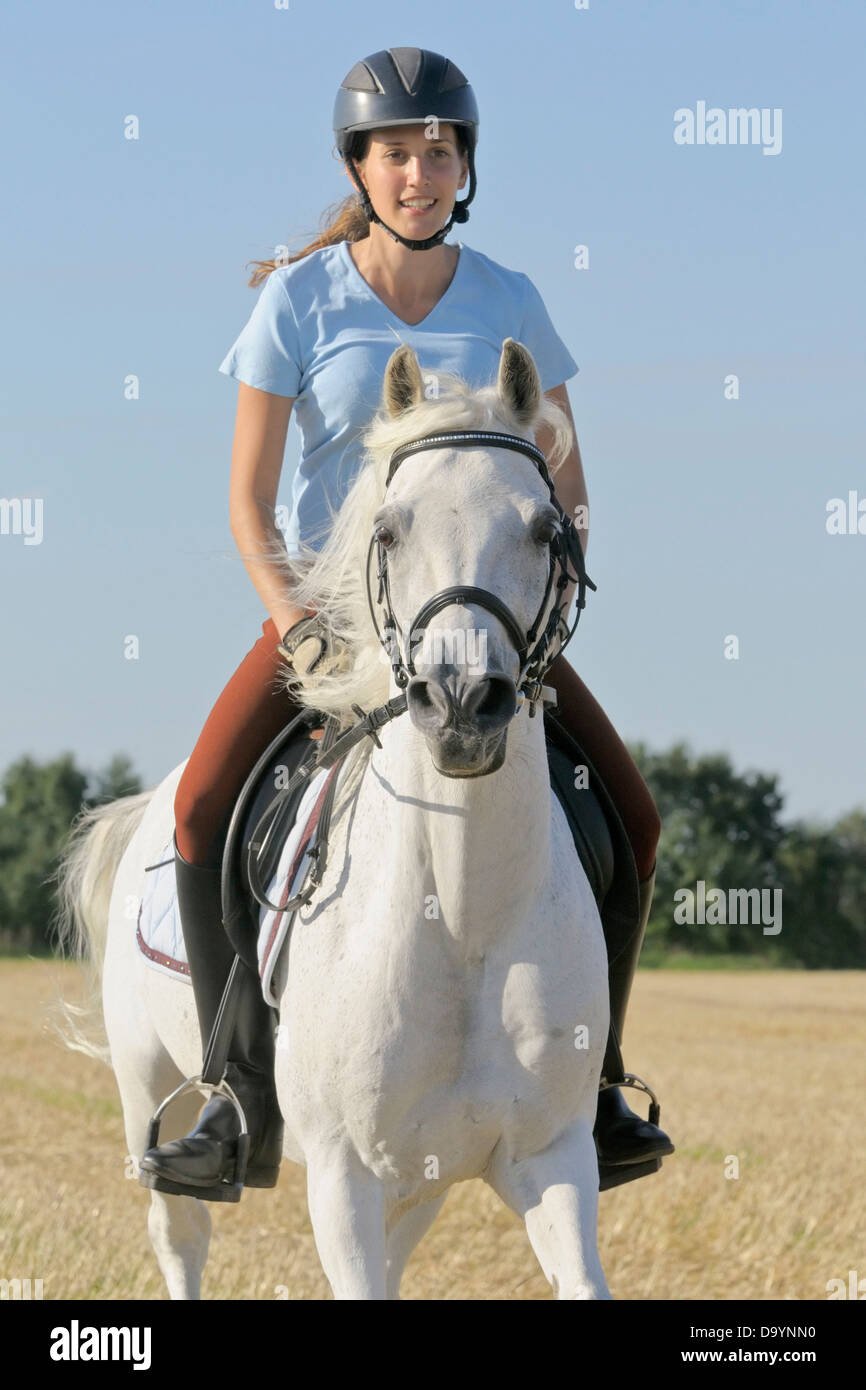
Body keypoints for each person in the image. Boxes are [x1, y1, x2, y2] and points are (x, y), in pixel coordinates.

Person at [139, 46, 673, 1202]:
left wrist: (553, 587)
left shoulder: (511, 299)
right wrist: (293, 621)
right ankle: (236, 1094)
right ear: (360, 166)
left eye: (440, 149)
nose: (419, 172)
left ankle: (594, 1085)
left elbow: (564, 476)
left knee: (631, 815)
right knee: (196, 808)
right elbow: (245, 497)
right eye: (396, 152)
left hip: (486, 622)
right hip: (335, 617)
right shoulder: (297, 300)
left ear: (465, 164)